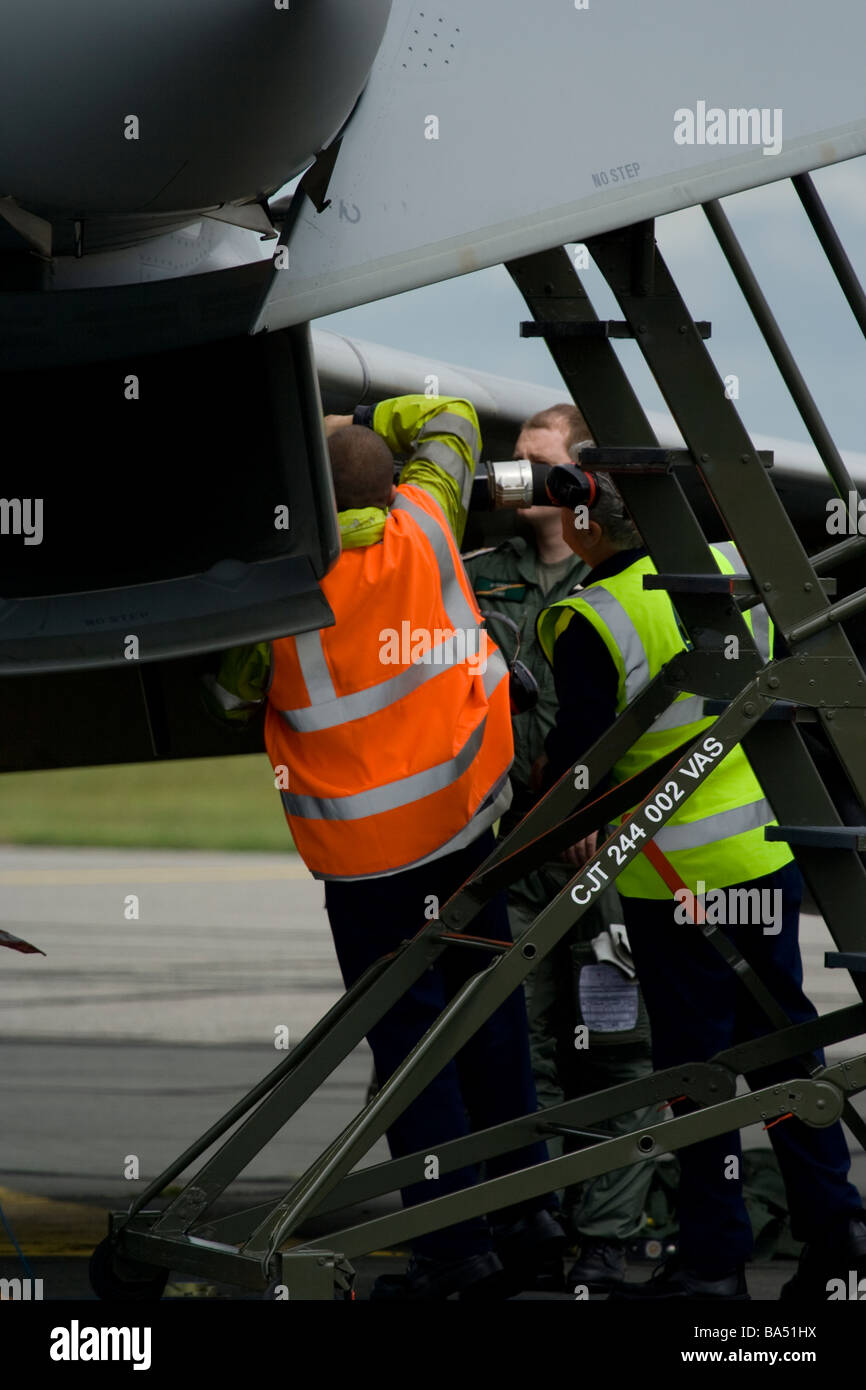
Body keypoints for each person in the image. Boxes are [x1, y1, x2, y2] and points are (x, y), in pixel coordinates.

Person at [208, 394, 562, 1300]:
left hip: (367, 862)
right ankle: (526, 1222)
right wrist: (363, 415)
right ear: (391, 480)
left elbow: (230, 691)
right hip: (465, 826)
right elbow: (448, 418)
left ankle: (456, 1249)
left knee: (410, 1050)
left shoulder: (284, 590)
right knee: (489, 1016)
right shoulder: (427, 517)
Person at [536, 468, 866, 1300]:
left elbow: (583, 758)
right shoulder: (731, 566)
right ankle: (838, 1235)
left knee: (695, 1072)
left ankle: (715, 1259)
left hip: (672, 875)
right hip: (762, 857)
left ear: (585, 530)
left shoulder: (586, 617)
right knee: (790, 1051)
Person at [462, 404, 655, 1293]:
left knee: (615, 1049)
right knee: (514, 1040)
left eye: (535, 464)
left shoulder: (632, 580)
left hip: (615, 861)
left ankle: (610, 1238)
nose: (513, 475)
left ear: (581, 479)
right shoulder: (472, 581)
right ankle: (525, 1222)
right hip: (520, 852)